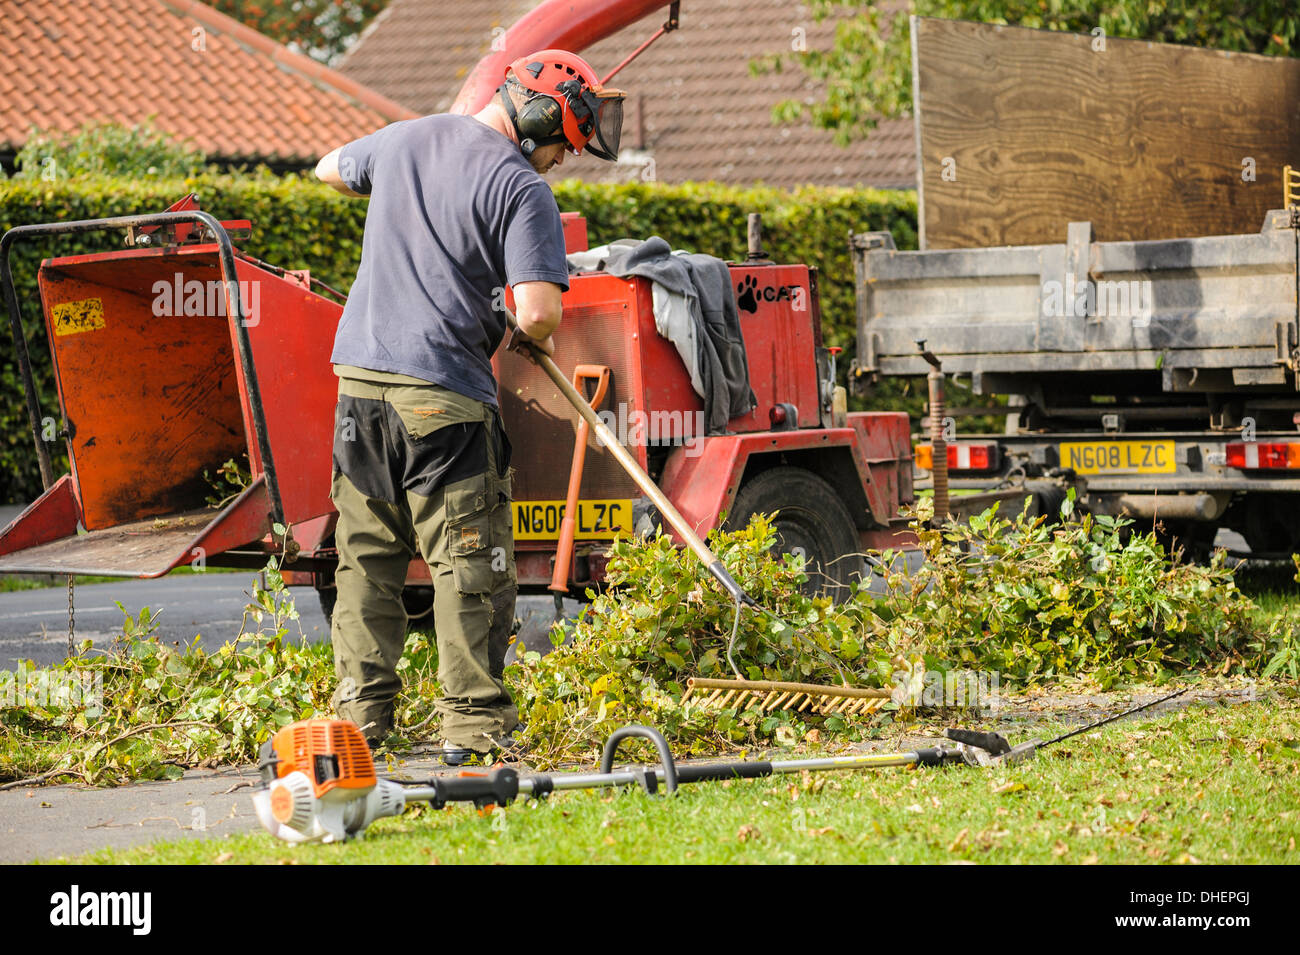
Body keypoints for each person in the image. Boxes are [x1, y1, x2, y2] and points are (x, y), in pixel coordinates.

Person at [314, 50, 626, 763]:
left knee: (366, 561)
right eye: (562, 146)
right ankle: (475, 732)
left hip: (359, 384)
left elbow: (329, 167)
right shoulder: (520, 188)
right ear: (542, 117)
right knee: (469, 564)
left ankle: (360, 726)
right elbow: (541, 312)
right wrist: (514, 319)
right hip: (441, 395)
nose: (559, 162)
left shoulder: (406, 138)